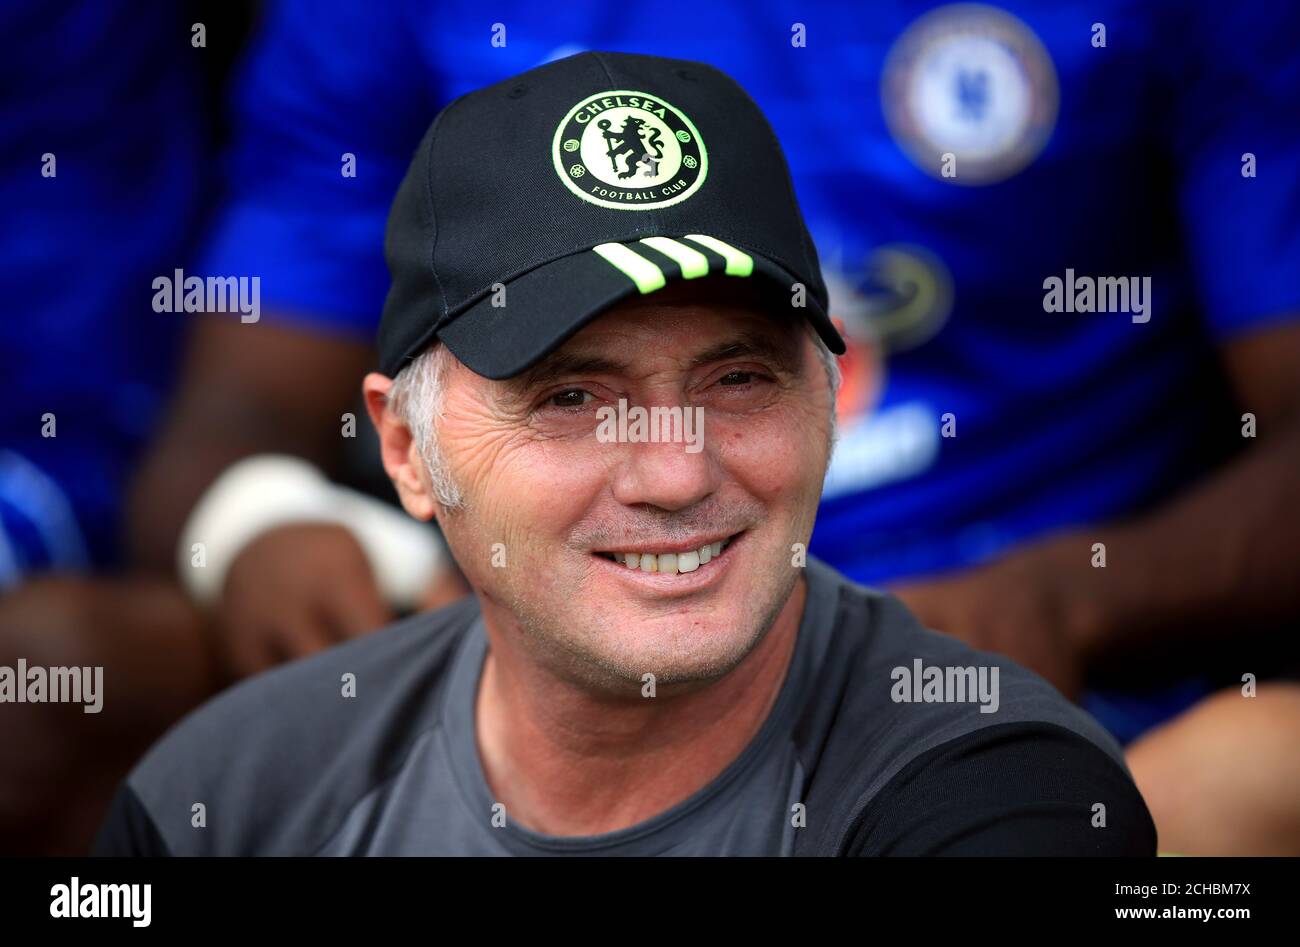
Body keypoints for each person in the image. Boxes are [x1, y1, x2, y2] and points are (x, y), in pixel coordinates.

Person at [93, 53, 1153, 856]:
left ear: (831, 402)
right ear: (408, 451)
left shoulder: (999, 800)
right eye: (569, 397)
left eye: (737, 380)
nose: (676, 471)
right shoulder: (229, 791)